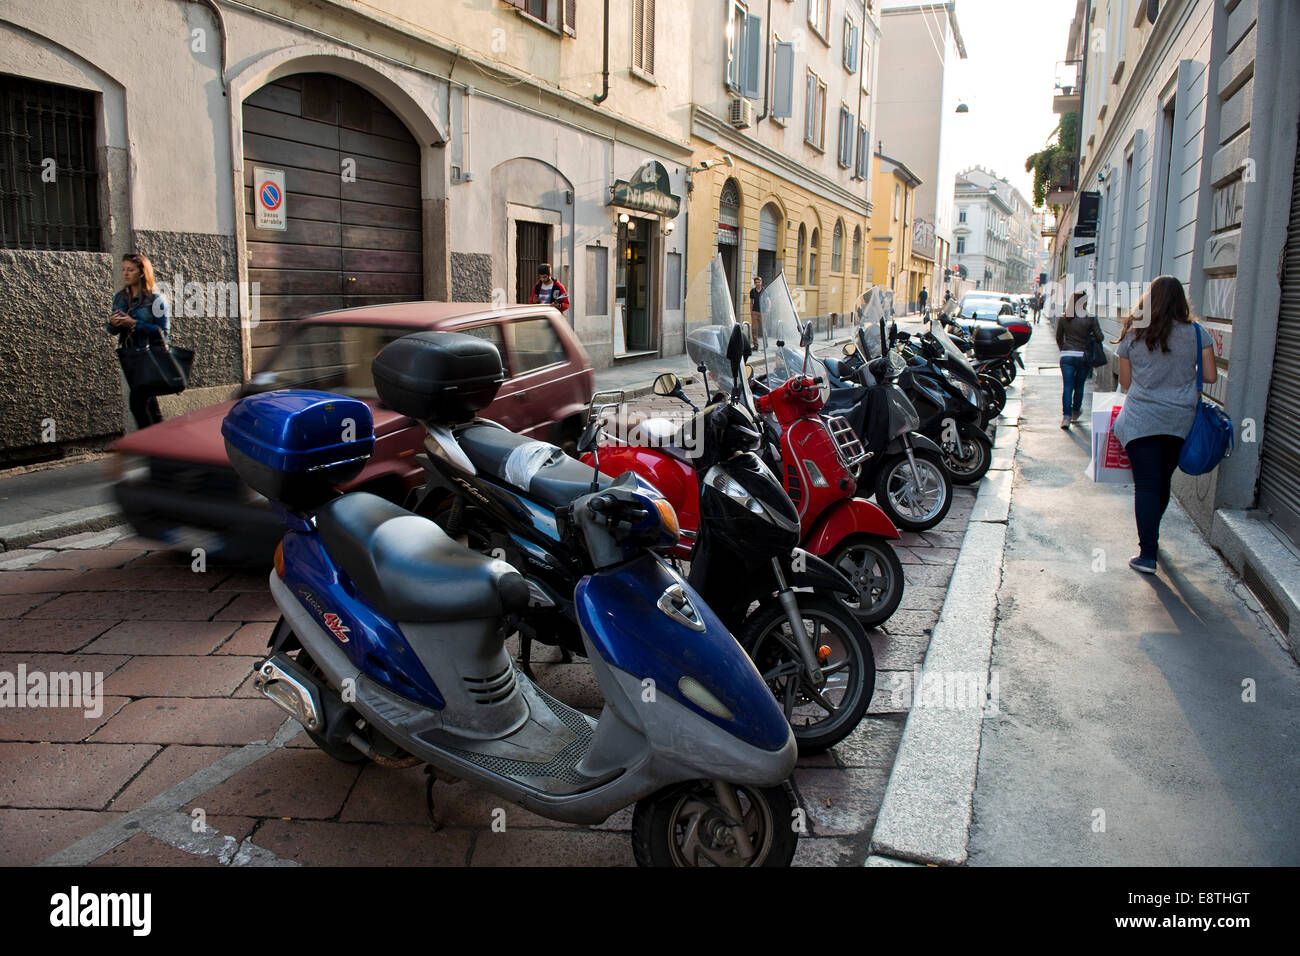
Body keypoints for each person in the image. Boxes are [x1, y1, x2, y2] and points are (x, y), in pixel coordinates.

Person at [1112, 276, 1217, 574]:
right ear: (1181, 301)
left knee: (1145, 484)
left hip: (1141, 419)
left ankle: (1147, 553)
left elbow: (1126, 382)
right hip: (1180, 419)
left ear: (1150, 299)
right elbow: (1209, 377)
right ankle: (1151, 539)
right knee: (1162, 482)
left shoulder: (1134, 333)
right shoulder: (1198, 334)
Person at [107, 252, 171, 429]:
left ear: (141, 273)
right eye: (124, 270)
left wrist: (134, 323)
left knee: (137, 402)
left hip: (148, 356)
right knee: (148, 404)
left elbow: (162, 333)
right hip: (129, 358)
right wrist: (113, 324)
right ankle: (161, 445)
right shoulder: (120, 298)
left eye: (131, 270)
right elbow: (112, 330)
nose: (126, 274)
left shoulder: (156, 300)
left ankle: (150, 446)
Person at [1054, 289, 1102, 430]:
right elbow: (1100, 338)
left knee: (1067, 387)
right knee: (1079, 386)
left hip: (1067, 355)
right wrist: (1091, 333)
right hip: (1083, 356)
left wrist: (1064, 349)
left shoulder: (1064, 317)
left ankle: (1066, 417)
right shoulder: (1090, 318)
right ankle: (1076, 411)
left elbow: (1058, 337)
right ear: (1084, 302)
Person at [749, 274, 764, 339]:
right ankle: (755, 345)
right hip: (755, 311)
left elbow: (768, 301)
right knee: (754, 329)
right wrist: (751, 311)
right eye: (756, 282)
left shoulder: (764, 290)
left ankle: (765, 343)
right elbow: (751, 302)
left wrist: (768, 309)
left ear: (761, 282)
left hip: (763, 312)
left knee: (763, 328)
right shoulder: (752, 291)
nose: (758, 283)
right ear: (754, 283)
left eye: (759, 282)